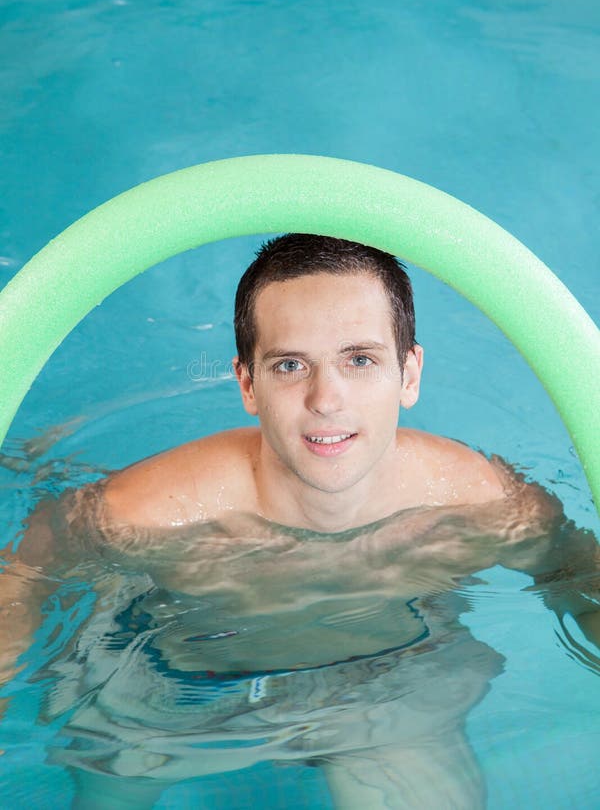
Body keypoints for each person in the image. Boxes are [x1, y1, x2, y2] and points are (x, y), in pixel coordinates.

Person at [1, 234, 598, 809]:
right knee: (110, 788)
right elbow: (26, 572)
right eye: (290, 365)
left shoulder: (481, 502)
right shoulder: (151, 512)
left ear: (409, 374)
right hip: (177, 686)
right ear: (248, 384)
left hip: (387, 679)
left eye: (359, 359)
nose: (326, 398)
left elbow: (578, 579)